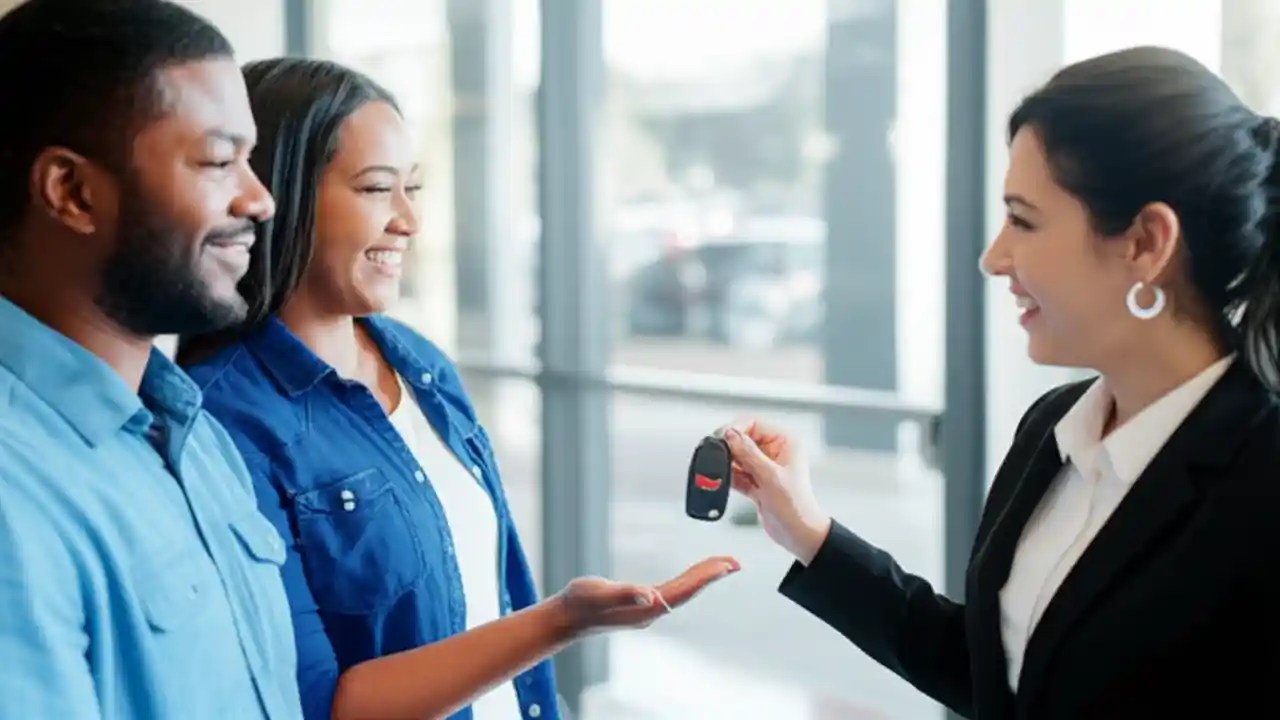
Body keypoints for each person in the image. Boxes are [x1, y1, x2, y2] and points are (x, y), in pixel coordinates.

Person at [723, 45, 1280, 719]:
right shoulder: (1054, 427)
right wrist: (807, 531)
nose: (993, 257)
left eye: (1022, 219)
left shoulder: (1261, 476)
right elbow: (1000, 673)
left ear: (1145, 242)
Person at [178, 57, 738, 720]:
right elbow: (320, 705)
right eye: (376, 188)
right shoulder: (221, 420)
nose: (408, 220)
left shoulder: (417, 361)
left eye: (412, 188)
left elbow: (485, 599)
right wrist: (561, 620)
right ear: (278, 194)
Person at [0, 1, 304, 719]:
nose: (260, 199)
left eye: (250, 159)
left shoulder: (192, 435)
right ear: (72, 193)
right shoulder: (15, 494)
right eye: (219, 161)